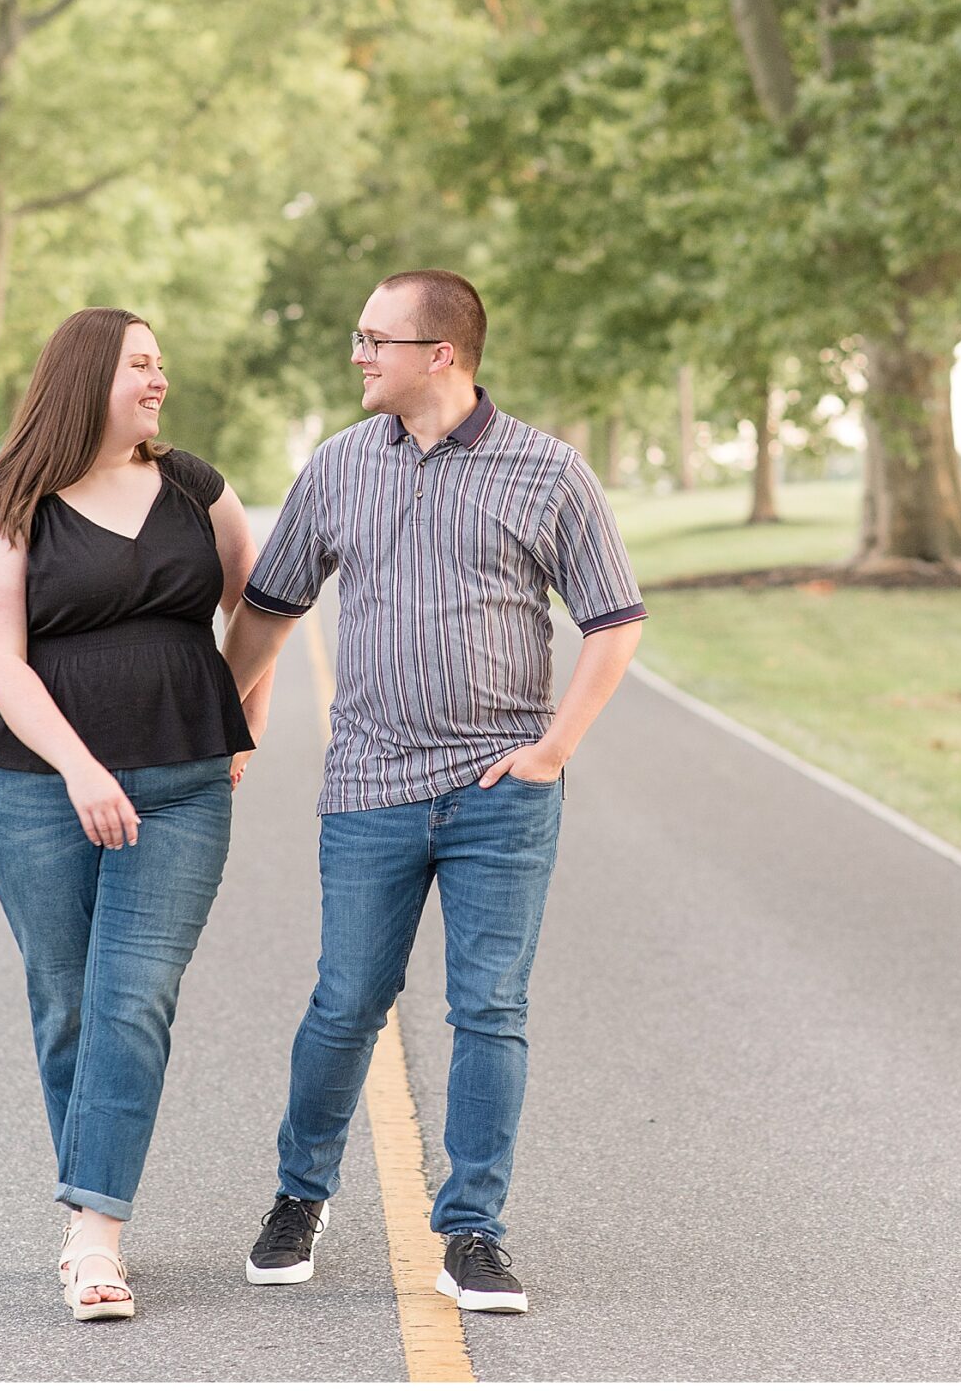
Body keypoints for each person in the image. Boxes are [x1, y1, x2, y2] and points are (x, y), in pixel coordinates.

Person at [223, 269, 644, 1315]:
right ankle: (297, 1195)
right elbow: (270, 610)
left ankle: (472, 1231)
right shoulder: (334, 468)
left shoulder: (546, 471)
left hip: (500, 790)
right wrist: (219, 718)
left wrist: (550, 750)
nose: (357, 353)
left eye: (375, 337)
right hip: (367, 785)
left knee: (489, 1007)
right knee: (345, 1000)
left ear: (440, 354)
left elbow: (613, 619)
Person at [0, 307, 267, 1321]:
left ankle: (93, 1235)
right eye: (140, 361)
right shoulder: (4, 507)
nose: (158, 376)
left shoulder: (193, 486)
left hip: (179, 780)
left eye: (161, 362)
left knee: (133, 995)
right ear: (88, 374)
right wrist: (83, 767)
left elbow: (254, 610)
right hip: (34, 787)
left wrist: (241, 722)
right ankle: (96, 1199)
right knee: (70, 1001)